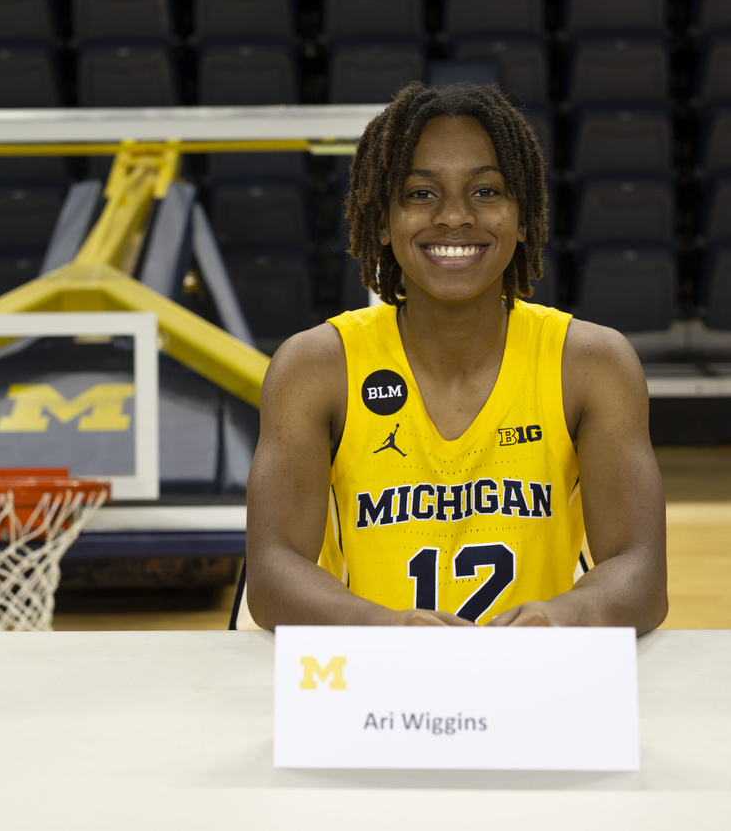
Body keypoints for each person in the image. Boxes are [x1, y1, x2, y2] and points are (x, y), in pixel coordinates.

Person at [245, 83, 667, 633]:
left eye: (485, 191)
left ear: (522, 216)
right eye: (421, 193)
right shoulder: (317, 368)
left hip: (534, 674)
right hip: (373, 678)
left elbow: (640, 570)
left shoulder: (590, 364)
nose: (454, 216)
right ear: (381, 220)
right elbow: (273, 572)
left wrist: (564, 616)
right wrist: (385, 629)